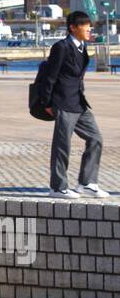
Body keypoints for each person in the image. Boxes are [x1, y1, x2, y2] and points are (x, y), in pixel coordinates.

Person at [40, 11, 109, 198]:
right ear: (73, 27)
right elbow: (50, 76)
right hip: (62, 102)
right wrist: (47, 102)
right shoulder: (61, 47)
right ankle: (57, 187)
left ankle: (87, 183)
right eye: (85, 25)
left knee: (96, 139)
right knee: (62, 146)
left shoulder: (82, 46)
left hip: (79, 102)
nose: (89, 29)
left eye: (89, 26)